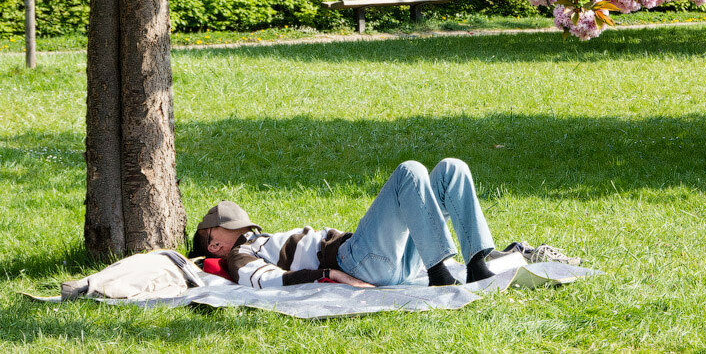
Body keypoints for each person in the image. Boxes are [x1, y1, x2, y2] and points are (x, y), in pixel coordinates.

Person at [189, 158, 496, 288]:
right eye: (221, 223)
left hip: (401, 262)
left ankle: (475, 263)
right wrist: (330, 273)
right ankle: (439, 273)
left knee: (451, 169)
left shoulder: (261, 241)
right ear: (215, 243)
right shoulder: (240, 255)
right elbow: (269, 281)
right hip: (358, 261)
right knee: (409, 171)